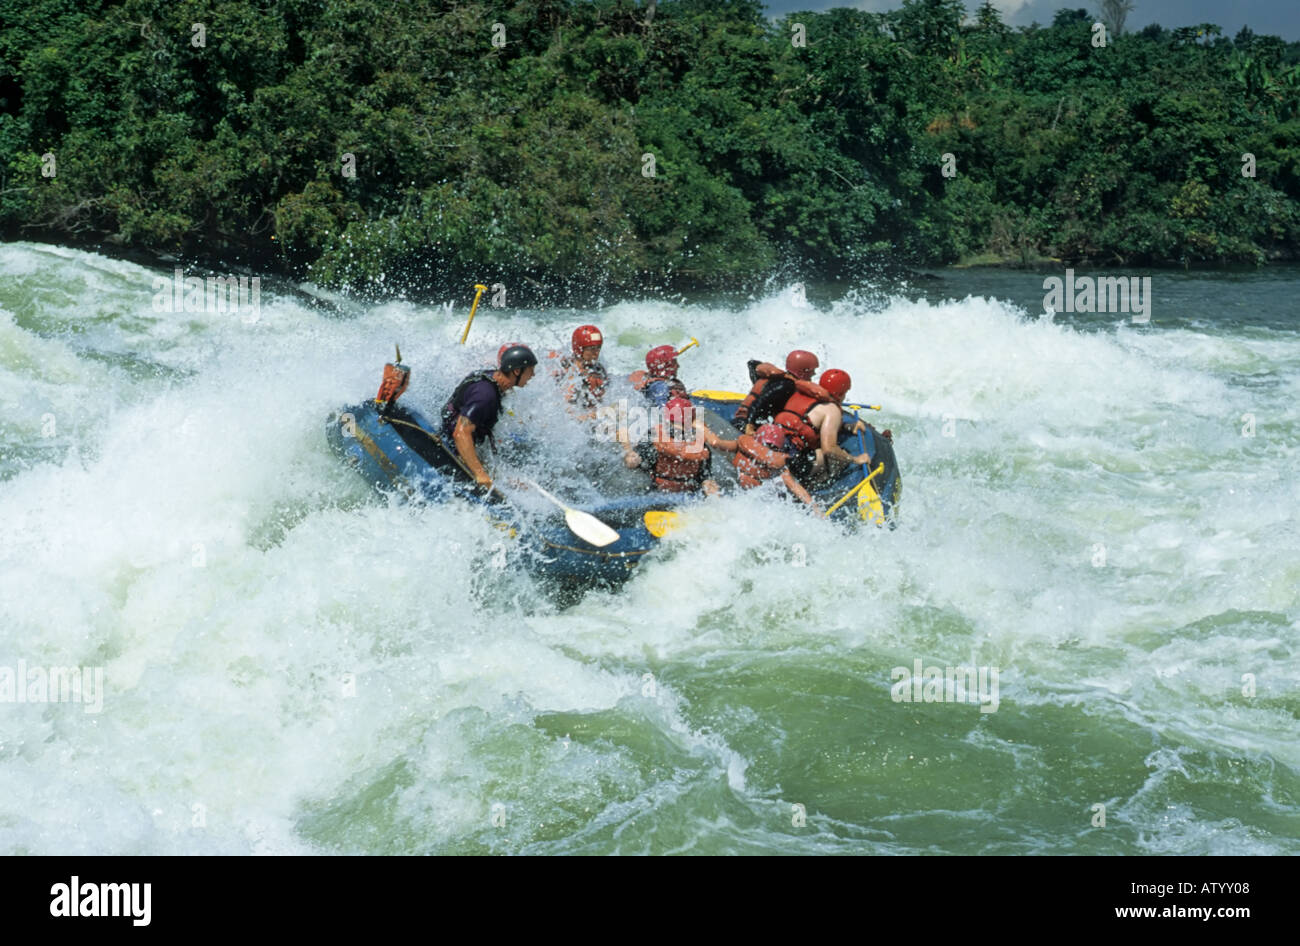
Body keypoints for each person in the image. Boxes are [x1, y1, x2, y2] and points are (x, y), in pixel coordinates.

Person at [440, 344, 537, 488]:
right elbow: (461, 434)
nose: (533, 375)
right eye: (530, 370)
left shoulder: (493, 377)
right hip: (453, 448)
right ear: (517, 371)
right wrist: (481, 474)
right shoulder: (485, 395)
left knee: (516, 485)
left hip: (461, 440)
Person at [772, 368, 871, 485]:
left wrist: (846, 426)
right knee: (838, 457)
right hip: (793, 460)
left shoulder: (799, 394)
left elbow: (811, 422)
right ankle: (815, 487)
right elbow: (829, 450)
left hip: (772, 449)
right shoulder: (831, 409)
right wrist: (855, 459)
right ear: (840, 394)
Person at [623, 396, 732, 495]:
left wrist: (628, 450)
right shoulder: (701, 445)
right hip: (688, 495)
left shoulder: (654, 436)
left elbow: (632, 463)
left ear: (666, 416)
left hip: (657, 492)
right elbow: (707, 480)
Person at [719, 423, 820, 512]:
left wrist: (815, 508)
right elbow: (718, 444)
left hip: (747, 501)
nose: (766, 450)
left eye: (772, 448)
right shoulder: (743, 446)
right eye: (766, 446)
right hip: (749, 500)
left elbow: (796, 488)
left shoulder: (779, 467)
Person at [731, 349, 819, 433]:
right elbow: (761, 402)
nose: (814, 374)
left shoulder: (779, 379)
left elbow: (753, 365)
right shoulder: (786, 386)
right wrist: (750, 425)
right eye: (812, 371)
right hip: (743, 423)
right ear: (802, 371)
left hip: (741, 419)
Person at [549, 324, 608, 408]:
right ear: (579, 349)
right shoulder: (564, 367)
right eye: (592, 349)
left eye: (598, 348)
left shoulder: (598, 369)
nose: (596, 353)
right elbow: (562, 403)